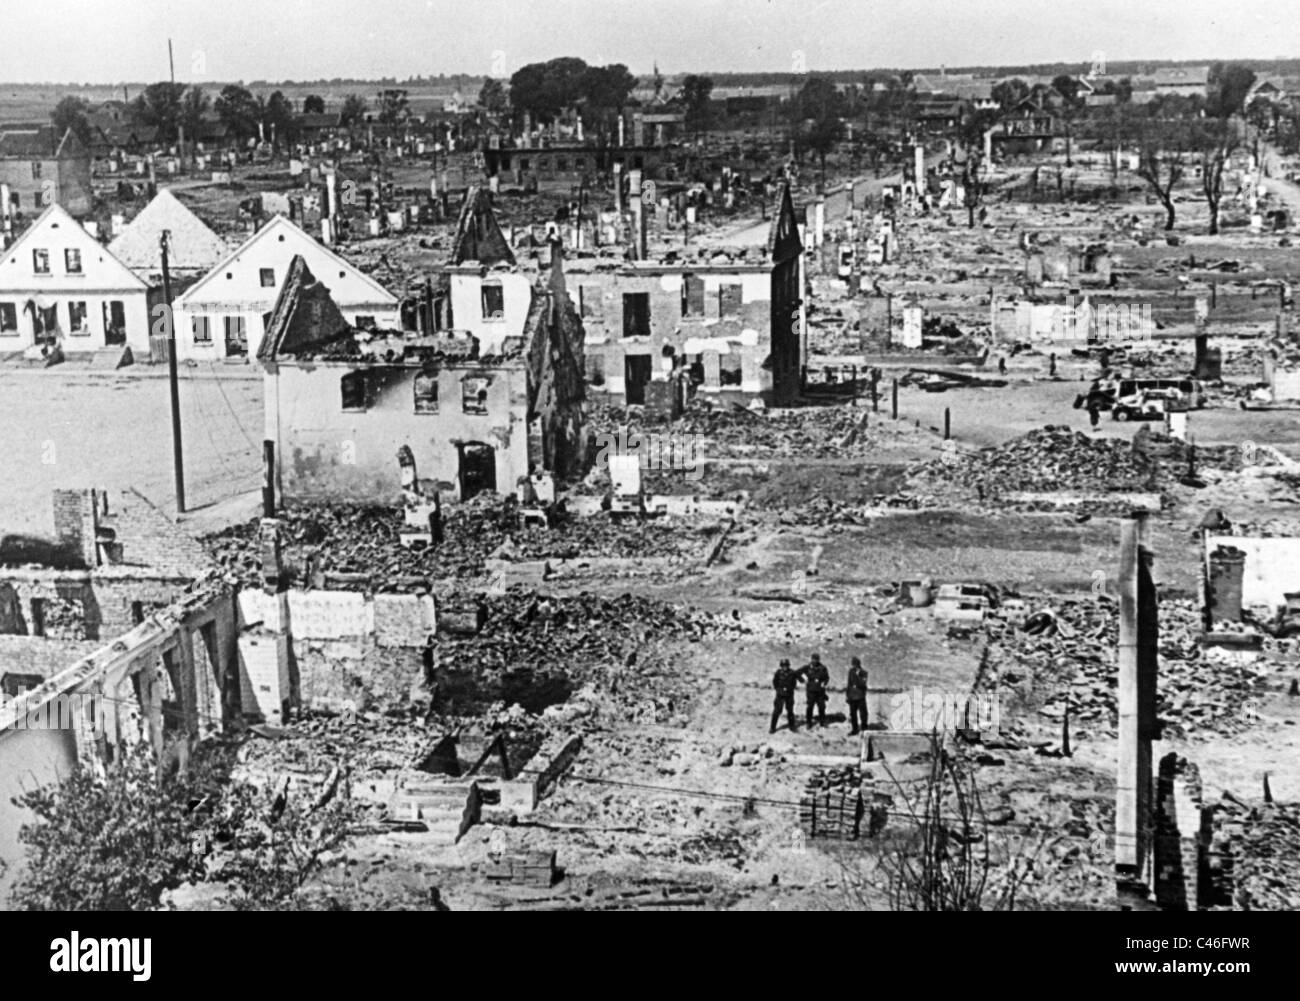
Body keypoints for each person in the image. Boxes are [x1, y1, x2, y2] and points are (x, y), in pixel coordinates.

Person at [770, 658, 799, 734]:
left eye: (786, 665)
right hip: (780, 695)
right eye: (783, 666)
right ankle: (772, 727)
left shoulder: (792, 673)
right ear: (781, 666)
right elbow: (775, 682)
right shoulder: (778, 673)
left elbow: (794, 683)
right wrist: (779, 690)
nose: (785, 667)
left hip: (789, 695)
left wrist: (789, 689)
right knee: (776, 711)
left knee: (790, 711)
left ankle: (792, 726)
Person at [802, 653, 829, 728]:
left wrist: (824, 683)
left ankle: (822, 722)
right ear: (811, 659)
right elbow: (799, 673)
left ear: (818, 660)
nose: (815, 661)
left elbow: (827, 678)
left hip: (820, 691)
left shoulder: (823, 668)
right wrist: (804, 680)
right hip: (811, 691)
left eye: (816, 659)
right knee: (810, 707)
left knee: (822, 707)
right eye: (813, 659)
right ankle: (808, 722)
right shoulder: (807, 667)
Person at [846, 657, 869, 735]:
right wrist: (847, 695)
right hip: (852, 696)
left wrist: (858, 675)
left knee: (863, 714)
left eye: (855, 665)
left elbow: (862, 684)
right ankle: (854, 729)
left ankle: (864, 728)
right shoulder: (851, 672)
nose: (854, 666)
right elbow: (849, 684)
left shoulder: (864, 673)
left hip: (860, 696)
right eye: (853, 665)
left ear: (858, 665)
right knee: (853, 714)